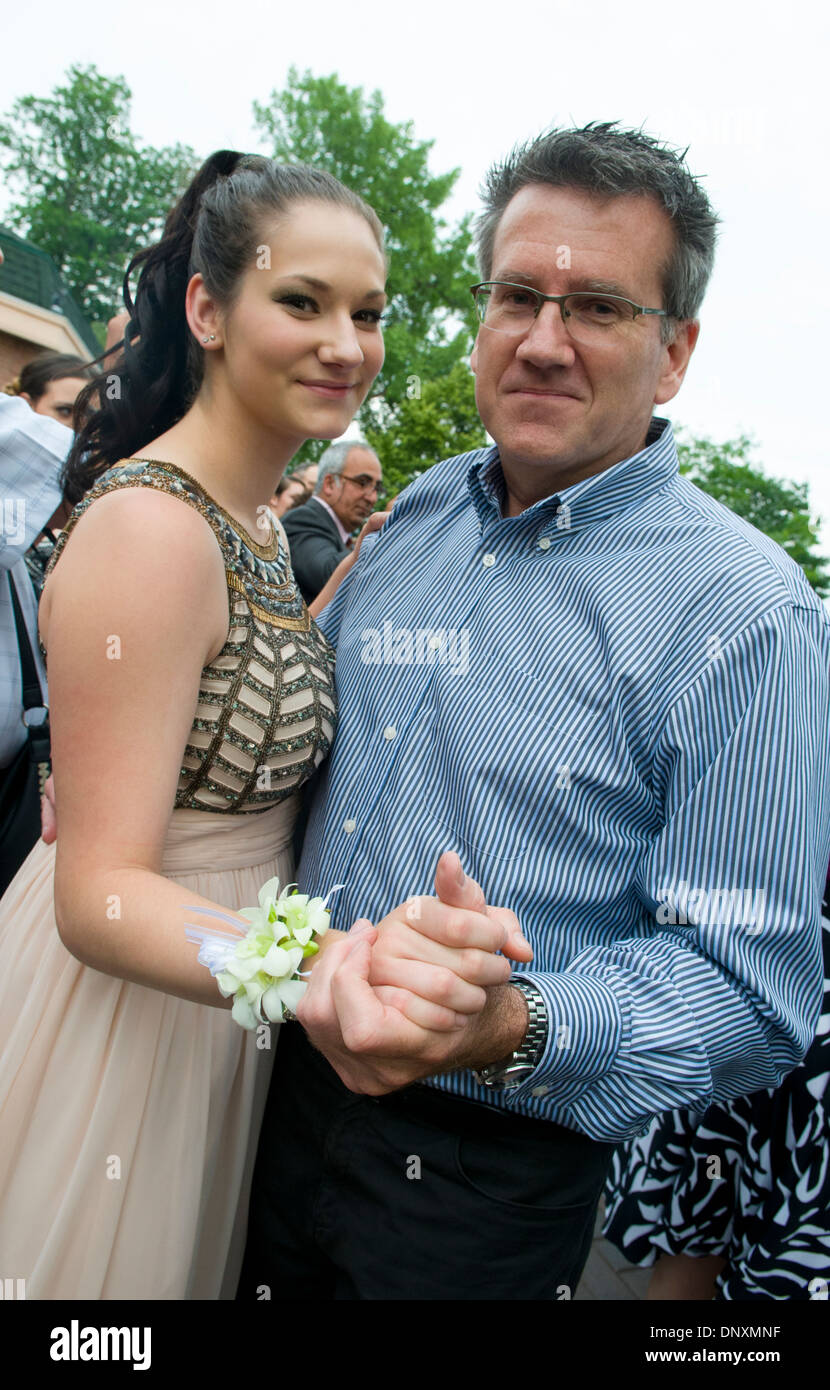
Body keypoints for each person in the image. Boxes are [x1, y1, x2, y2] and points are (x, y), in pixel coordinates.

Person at [236, 122, 830, 1301]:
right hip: (264, 1092)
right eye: (518, 295)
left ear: (674, 353)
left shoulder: (746, 612)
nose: (544, 342)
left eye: (598, 307)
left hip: (479, 1174)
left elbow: (751, 988)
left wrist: (513, 1022)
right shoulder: (414, 513)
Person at [0, 150, 525, 1300]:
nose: (347, 343)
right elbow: (100, 897)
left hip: (219, 1007)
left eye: (367, 312)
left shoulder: (252, 522)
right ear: (208, 309)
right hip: (127, 1015)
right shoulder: (152, 527)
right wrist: (319, 965)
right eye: (302, 301)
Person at [282, 439, 384, 602]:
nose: (372, 497)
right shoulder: (302, 520)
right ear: (329, 483)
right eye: (362, 483)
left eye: (376, 488)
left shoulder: (335, 533)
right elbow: (327, 574)